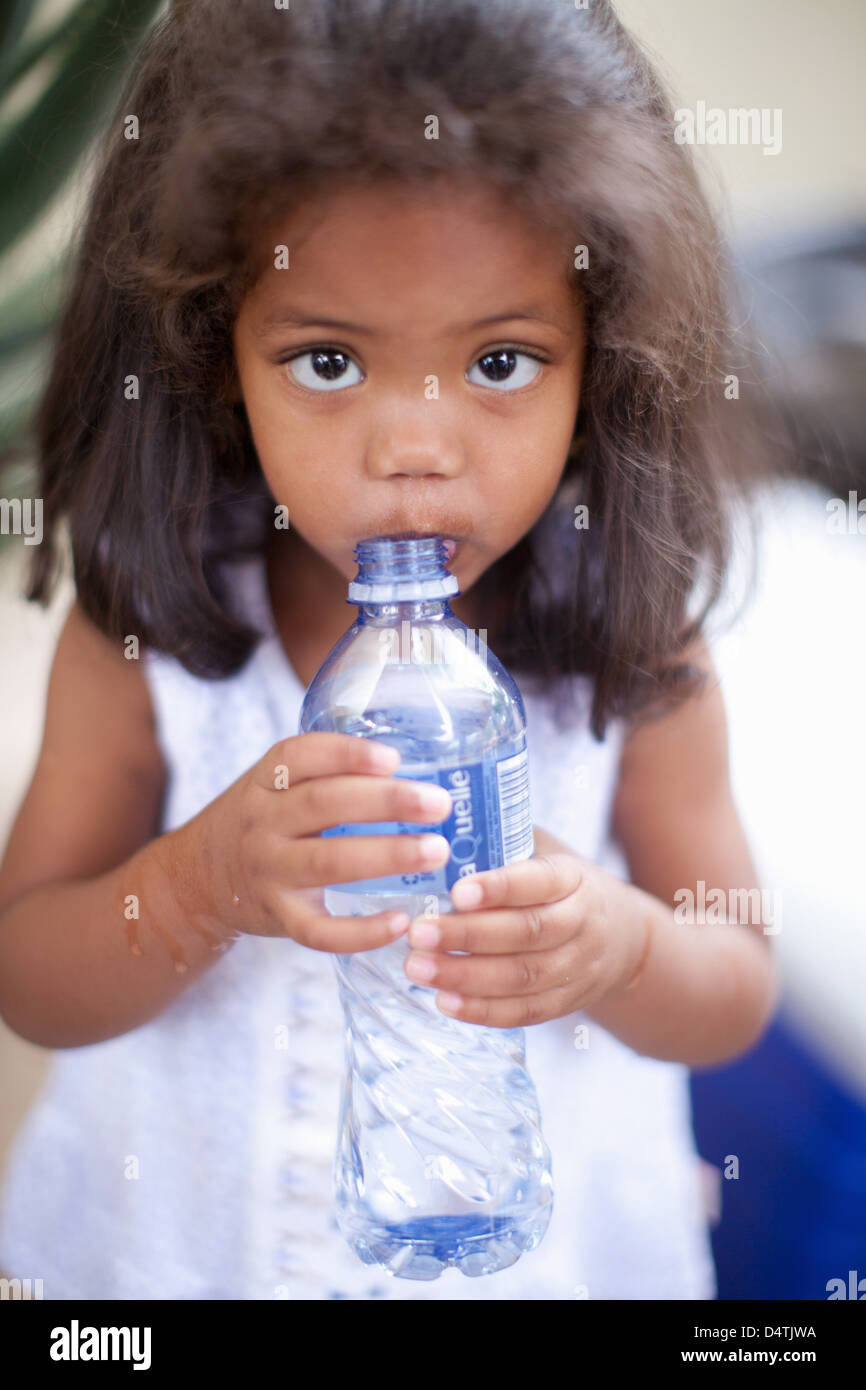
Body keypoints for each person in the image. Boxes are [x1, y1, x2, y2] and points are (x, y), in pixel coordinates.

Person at [0, 0, 781, 1300]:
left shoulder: (631, 649)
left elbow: (735, 979)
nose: (413, 446)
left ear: (602, 360)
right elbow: (28, 971)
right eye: (324, 360)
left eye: (498, 359)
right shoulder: (151, 636)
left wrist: (621, 948)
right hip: (183, 1258)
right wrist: (193, 886)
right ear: (209, 357)